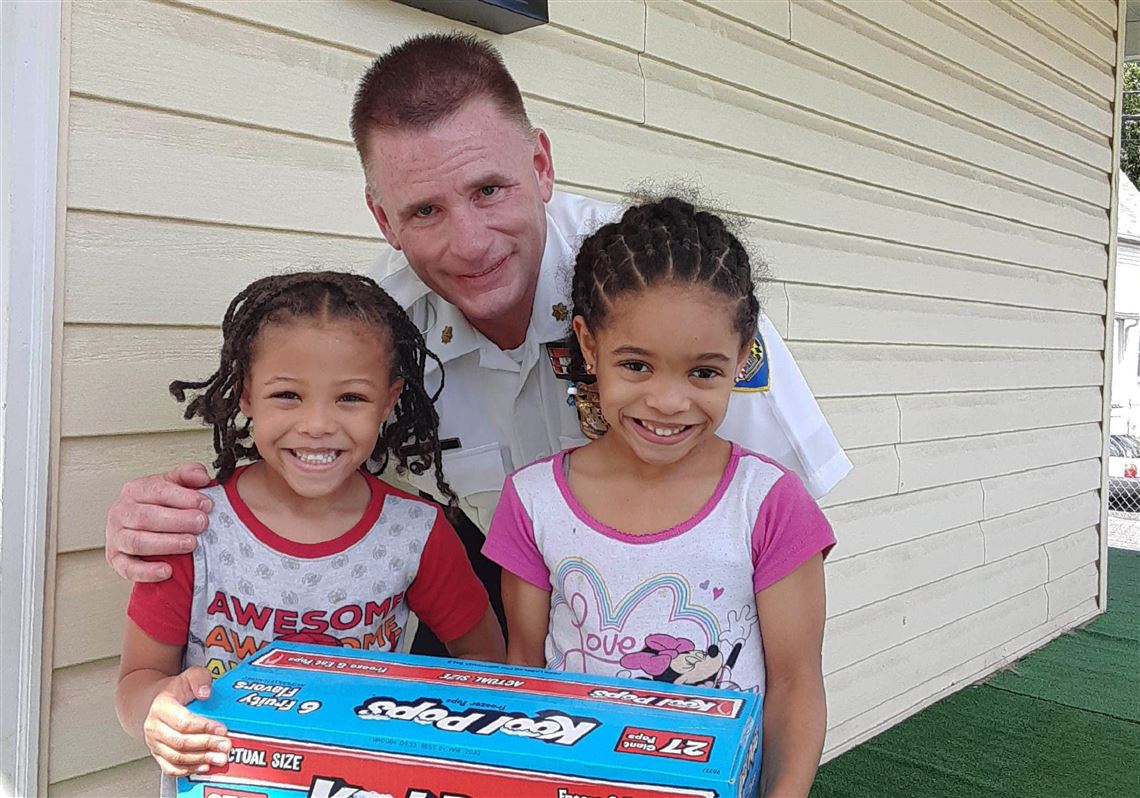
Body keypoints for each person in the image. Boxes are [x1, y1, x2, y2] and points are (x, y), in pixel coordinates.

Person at [103, 33, 851, 657]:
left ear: (542, 165)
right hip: (515, 616)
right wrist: (168, 517)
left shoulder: (665, 286)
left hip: (695, 637)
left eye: (489, 189)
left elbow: (783, 534)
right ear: (381, 218)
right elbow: (304, 448)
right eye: (424, 209)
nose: (469, 243)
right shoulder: (373, 331)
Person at [483, 198, 833, 798]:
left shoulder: (770, 503)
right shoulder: (532, 501)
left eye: (703, 373)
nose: (669, 402)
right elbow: (523, 669)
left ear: (744, 352)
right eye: (637, 365)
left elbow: (797, 686)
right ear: (590, 346)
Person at [114, 272, 504, 788]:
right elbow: (136, 681)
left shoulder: (417, 532)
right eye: (287, 395)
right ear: (245, 393)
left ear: (389, 402)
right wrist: (155, 713)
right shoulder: (193, 529)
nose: (318, 423)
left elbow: (484, 662)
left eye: (350, 399)